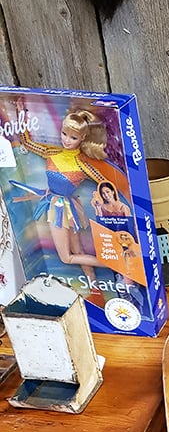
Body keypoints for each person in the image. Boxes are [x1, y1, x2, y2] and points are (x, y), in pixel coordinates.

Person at [10, 105, 126, 303]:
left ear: (82, 139)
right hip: (66, 207)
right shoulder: (51, 152)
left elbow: (105, 182)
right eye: (64, 134)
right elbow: (27, 142)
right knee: (78, 251)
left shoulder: (82, 163)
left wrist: (108, 202)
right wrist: (22, 112)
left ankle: (113, 263)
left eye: (73, 137)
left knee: (67, 257)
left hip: (61, 210)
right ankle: (95, 289)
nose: (66, 140)